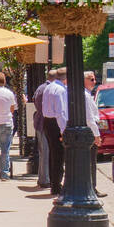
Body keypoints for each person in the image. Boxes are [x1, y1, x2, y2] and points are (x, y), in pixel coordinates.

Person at [43, 68, 69, 197]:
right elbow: (60, 112)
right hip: (56, 123)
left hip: (47, 122)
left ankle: (54, 183)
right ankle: (56, 186)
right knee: (59, 155)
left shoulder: (49, 87)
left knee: (53, 153)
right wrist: (63, 130)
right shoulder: (60, 90)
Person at [32, 71, 56, 189]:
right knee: (46, 152)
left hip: (39, 122)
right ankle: (45, 179)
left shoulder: (40, 88)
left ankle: (43, 178)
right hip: (44, 123)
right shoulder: (48, 89)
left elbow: (34, 100)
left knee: (43, 152)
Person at [85, 71, 103, 196]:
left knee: (91, 162)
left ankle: (92, 188)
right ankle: (92, 189)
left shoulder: (87, 94)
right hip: (90, 131)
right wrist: (96, 135)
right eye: (91, 79)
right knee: (91, 162)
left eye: (94, 79)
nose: (94, 82)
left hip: (90, 130)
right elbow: (89, 118)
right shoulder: (85, 96)